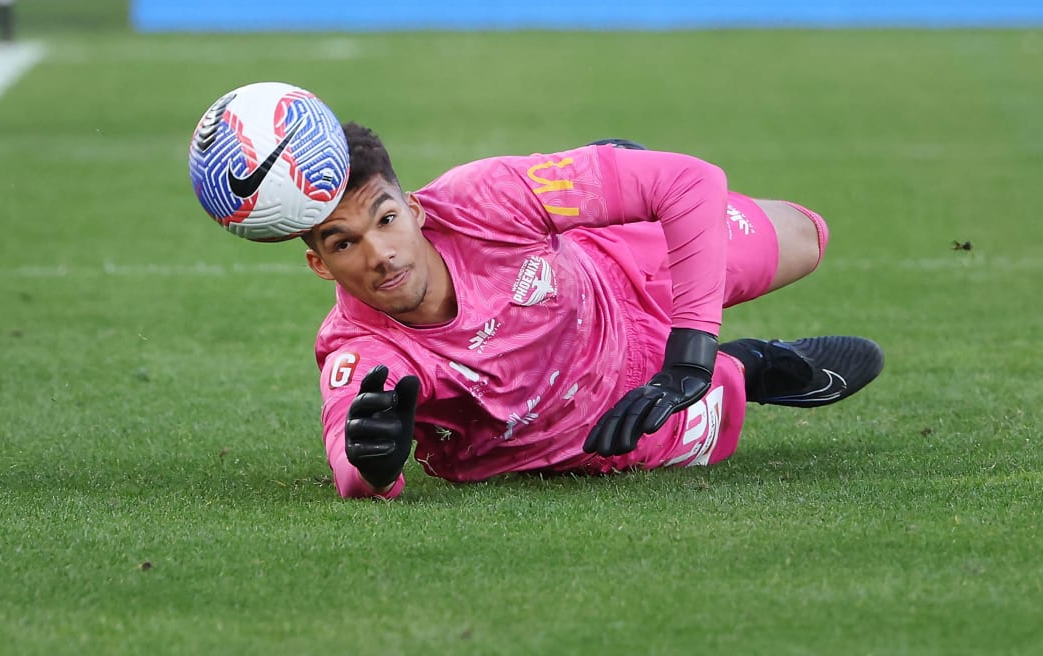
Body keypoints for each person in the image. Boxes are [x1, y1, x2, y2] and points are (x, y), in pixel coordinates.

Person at [300, 124, 884, 499]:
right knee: (718, 402)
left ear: (416, 209)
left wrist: (690, 353)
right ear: (321, 265)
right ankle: (752, 367)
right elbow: (350, 465)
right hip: (601, 429)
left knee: (807, 237)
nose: (380, 255)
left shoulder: (485, 196)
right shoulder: (361, 350)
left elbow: (692, 181)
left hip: (620, 274)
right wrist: (371, 465)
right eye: (344, 243)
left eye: (386, 219)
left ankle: (608, 180)